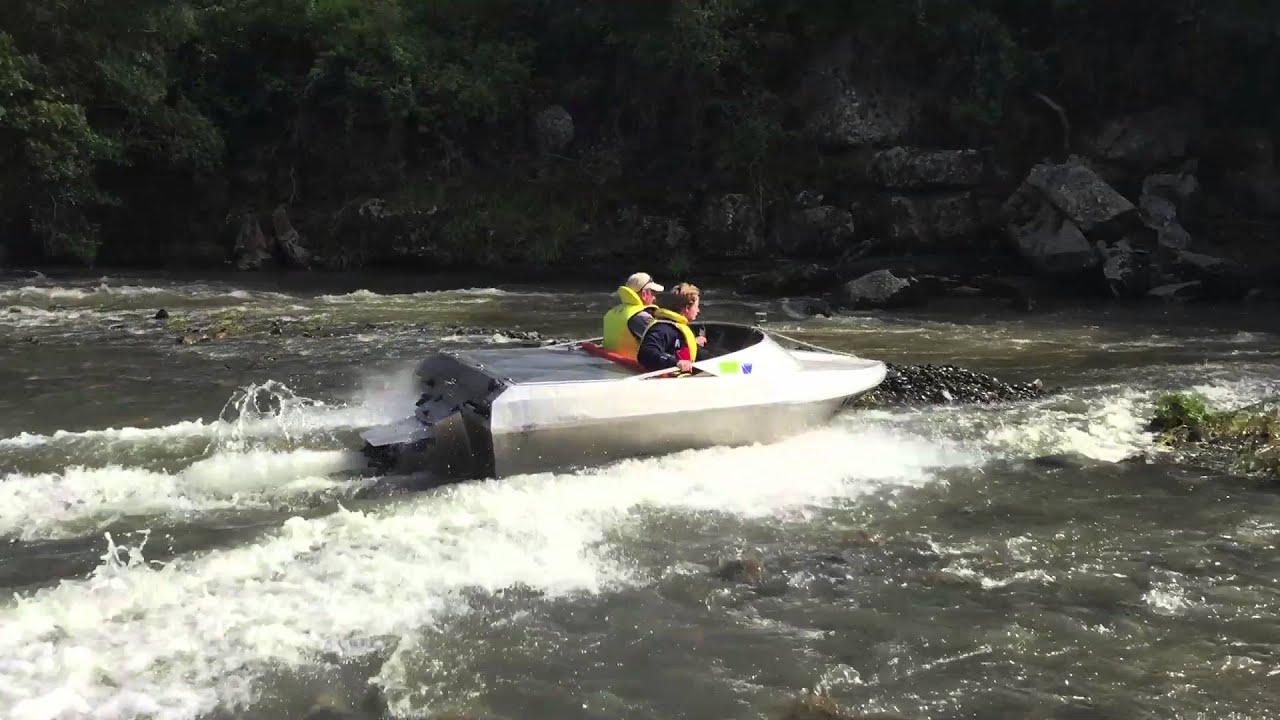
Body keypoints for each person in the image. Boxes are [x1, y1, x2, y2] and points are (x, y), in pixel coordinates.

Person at [636, 282, 708, 375]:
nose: (698, 310)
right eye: (696, 307)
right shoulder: (662, 328)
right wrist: (675, 363)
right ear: (687, 308)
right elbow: (645, 353)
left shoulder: (678, 328)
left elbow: (696, 353)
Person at [601, 271, 664, 358]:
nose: (654, 297)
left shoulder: (611, 312)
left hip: (611, 363)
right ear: (644, 294)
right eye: (653, 293)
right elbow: (663, 344)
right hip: (632, 368)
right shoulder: (641, 318)